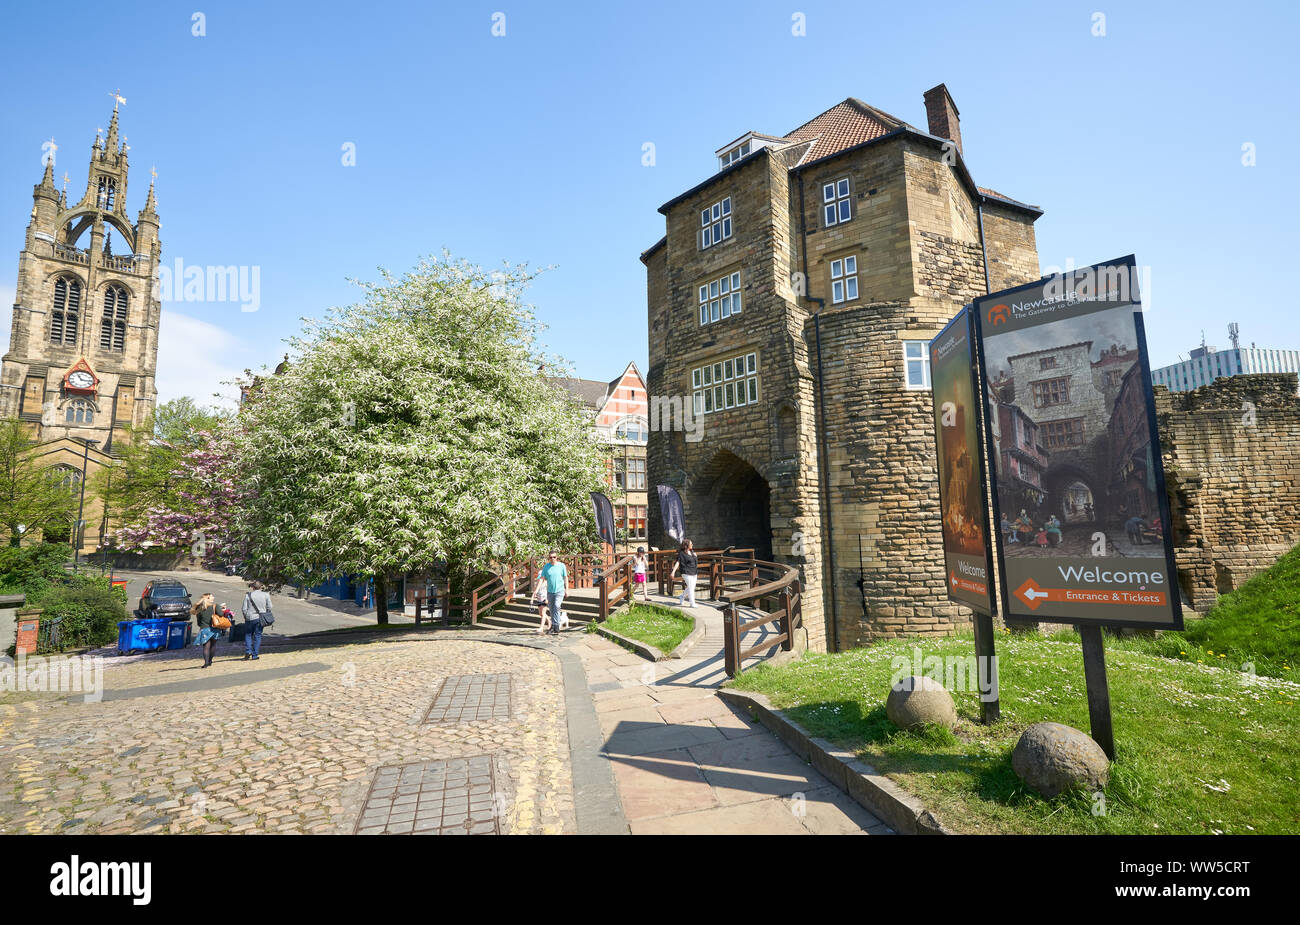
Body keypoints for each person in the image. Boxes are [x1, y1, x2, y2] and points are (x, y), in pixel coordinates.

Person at [241, 580, 273, 660]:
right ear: (261, 587)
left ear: (253, 587)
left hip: (250, 617)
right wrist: (265, 612)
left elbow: (244, 608)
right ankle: (255, 655)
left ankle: (248, 651)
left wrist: (246, 616)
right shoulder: (266, 595)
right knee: (258, 635)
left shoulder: (248, 595)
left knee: (248, 634)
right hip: (260, 617)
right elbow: (270, 607)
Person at [540, 552, 567, 636]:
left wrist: (567, 589)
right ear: (549, 558)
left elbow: (565, 578)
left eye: (554, 557)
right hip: (550, 591)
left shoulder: (561, 566)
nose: (552, 559)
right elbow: (542, 578)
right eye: (551, 557)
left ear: (557, 557)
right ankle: (554, 626)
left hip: (560, 590)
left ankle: (556, 626)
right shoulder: (546, 567)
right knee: (551, 609)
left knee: (556, 606)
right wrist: (536, 590)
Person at [191, 592, 220, 668]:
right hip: (214, 628)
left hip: (204, 628)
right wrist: (222, 609)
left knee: (206, 647)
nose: (213, 597)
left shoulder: (200, 608)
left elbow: (199, 621)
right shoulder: (215, 606)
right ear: (208, 598)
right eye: (212, 596)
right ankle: (210, 661)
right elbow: (221, 614)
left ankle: (206, 663)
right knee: (213, 645)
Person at [671, 539, 698, 608]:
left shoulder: (692, 552)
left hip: (694, 572)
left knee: (691, 587)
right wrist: (673, 571)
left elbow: (694, 562)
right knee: (691, 588)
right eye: (691, 544)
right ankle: (692, 603)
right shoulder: (681, 554)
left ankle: (681, 596)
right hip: (686, 572)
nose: (692, 545)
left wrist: (695, 556)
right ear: (686, 545)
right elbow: (677, 562)